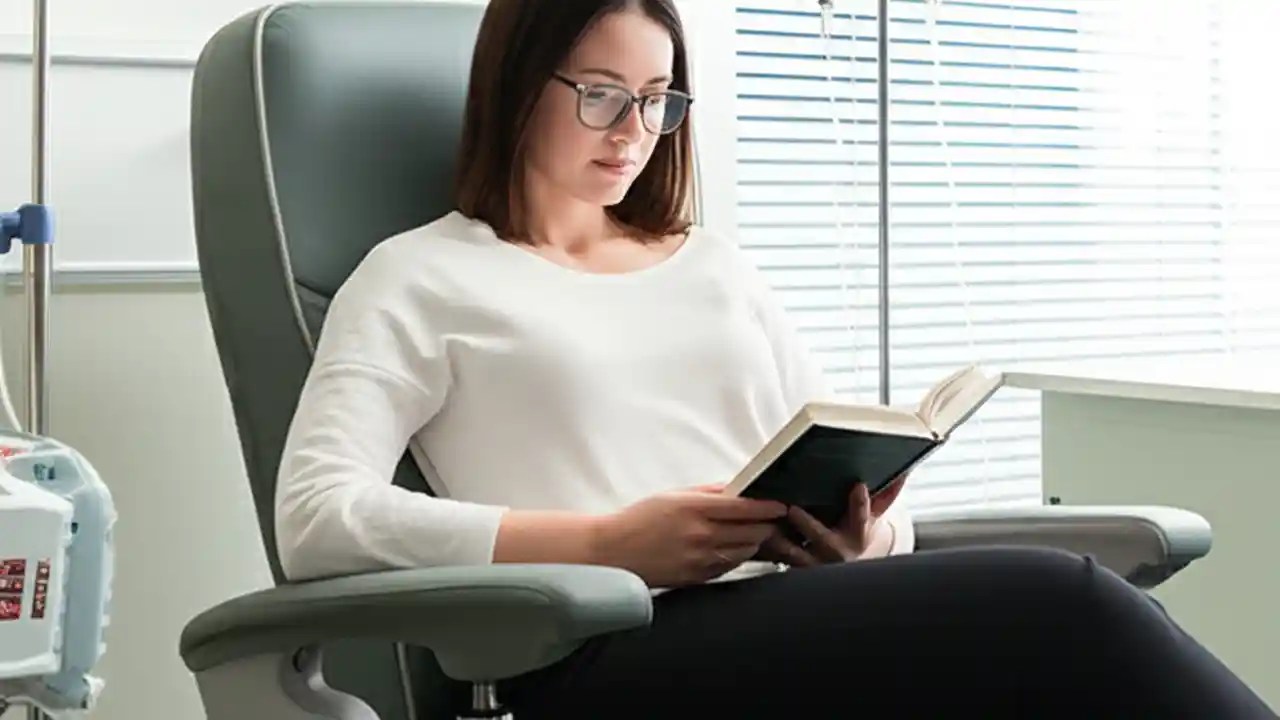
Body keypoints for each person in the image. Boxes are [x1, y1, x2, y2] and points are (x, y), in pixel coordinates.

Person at [273, 0, 1277, 717]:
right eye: (600, 94)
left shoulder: (711, 267)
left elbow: (835, 449)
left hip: (787, 607)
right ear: (511, 86)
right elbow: (317, 518)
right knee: (1060, 603)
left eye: (659, 98)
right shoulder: (418, 278)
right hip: (597, 648)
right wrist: (606, 542)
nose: (634, 132)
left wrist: (861, 543)